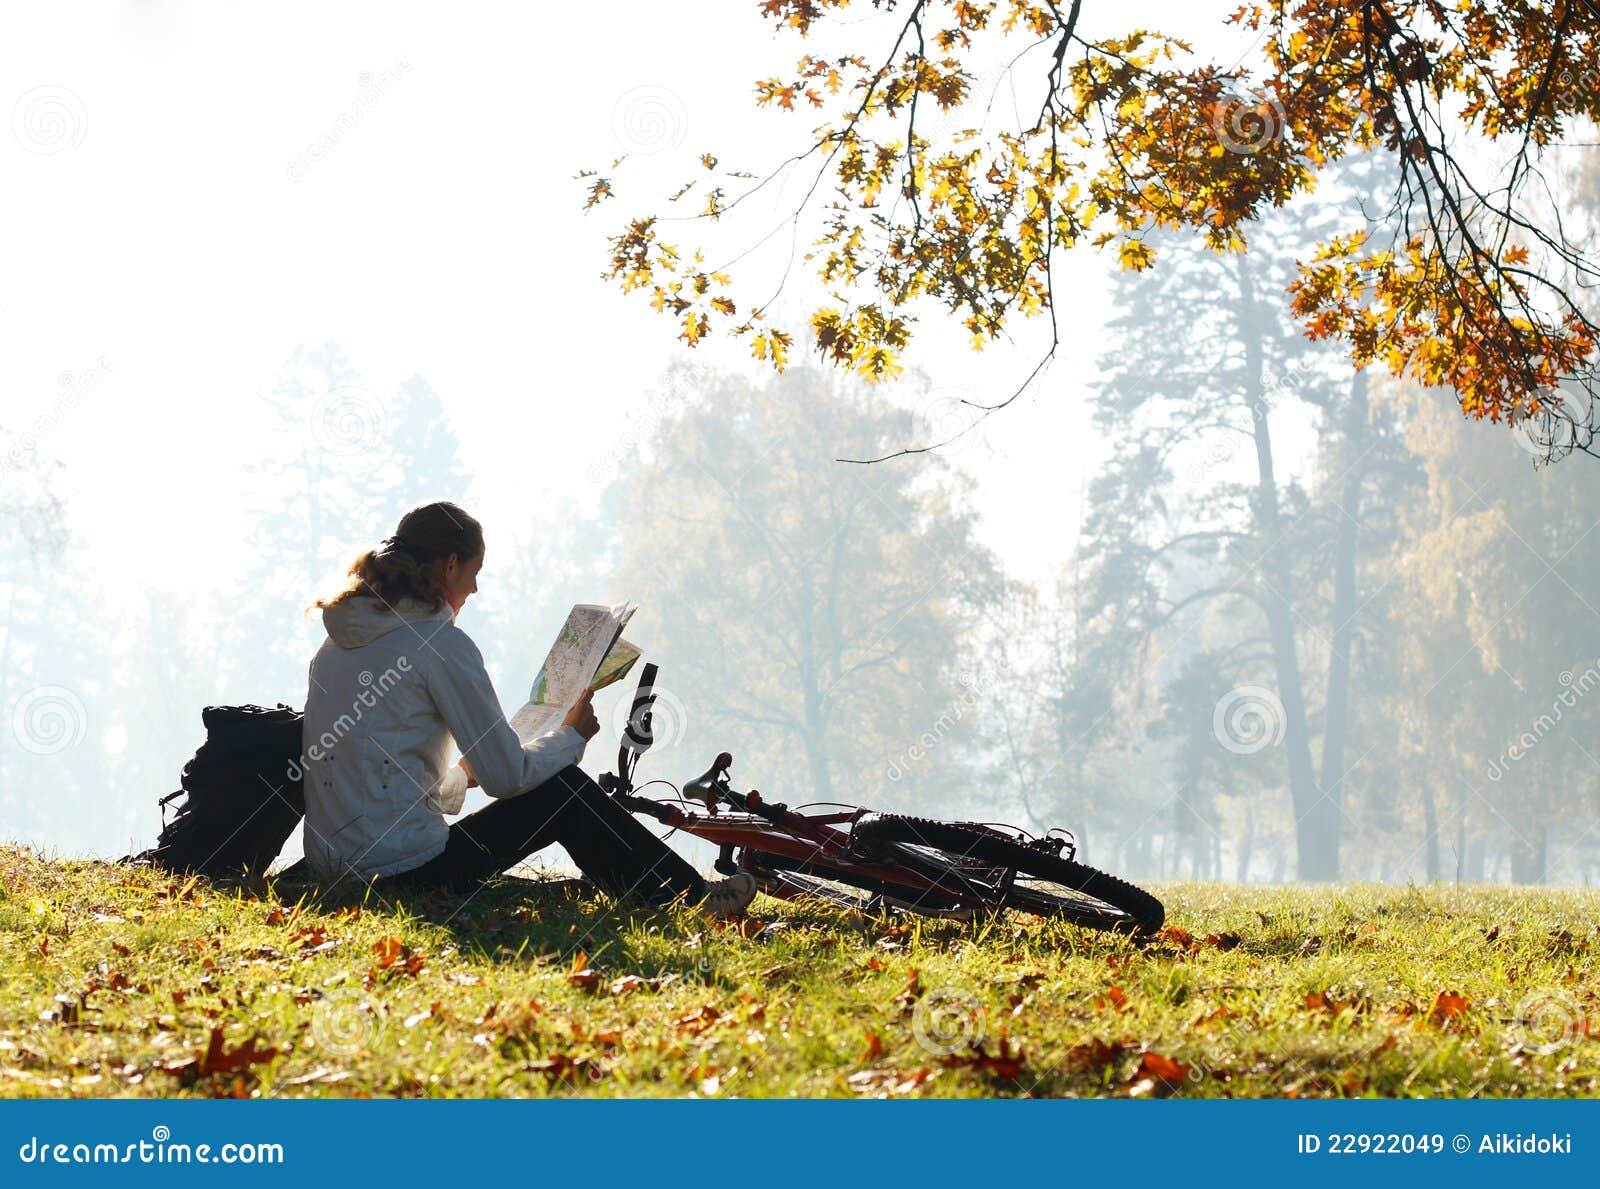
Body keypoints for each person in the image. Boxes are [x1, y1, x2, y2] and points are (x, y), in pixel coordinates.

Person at [298, 499, 757, 916]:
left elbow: (376, 777)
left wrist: (461, 775)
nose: (475, 589)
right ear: (450, 564)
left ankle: (675, 893)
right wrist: (571, 736)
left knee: (549, 784)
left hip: (335, 867)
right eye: (474, 573)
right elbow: (508, 779)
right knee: (565, 793)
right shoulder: (440, 645)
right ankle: (692, 900)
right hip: (403, 873)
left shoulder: (334, 646)